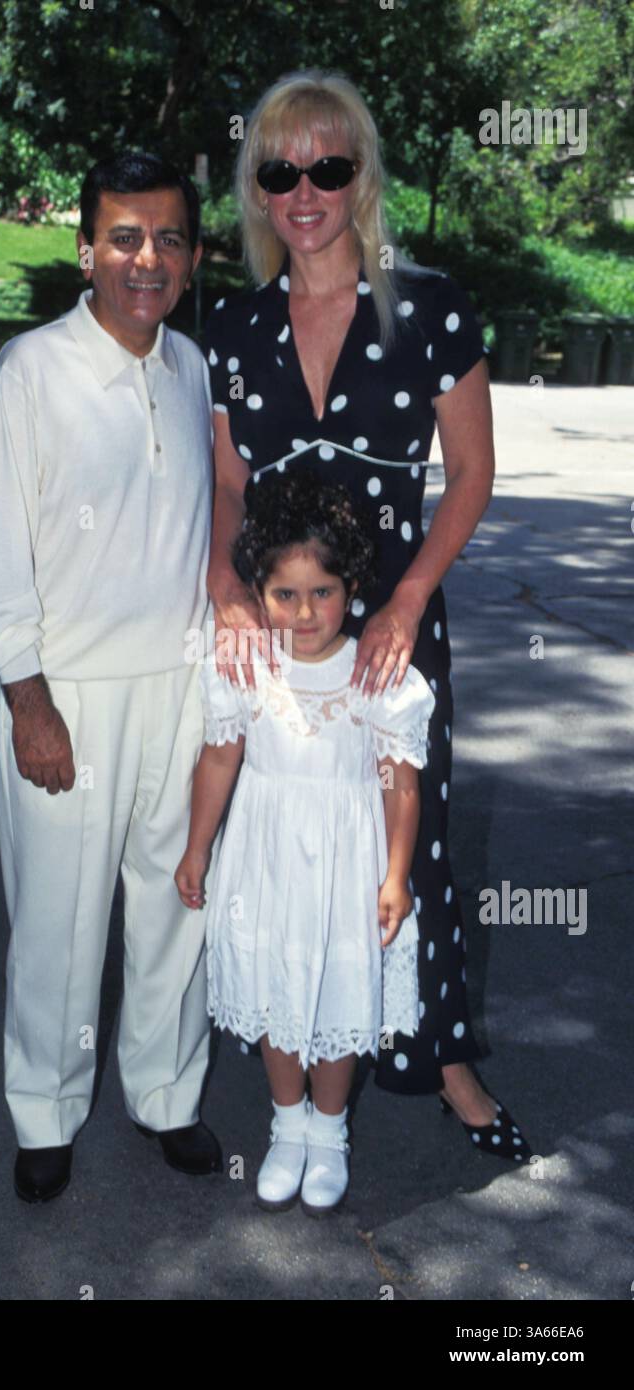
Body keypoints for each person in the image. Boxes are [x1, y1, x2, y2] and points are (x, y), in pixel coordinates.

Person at [202, 68, 532, 1159]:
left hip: (391, 620)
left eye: (328, 167)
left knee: (408, 841)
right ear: (256, 187)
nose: (305, 190)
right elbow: (226, 486)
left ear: (362, 178)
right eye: (280, 169)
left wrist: (408, 598)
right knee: (285, 844)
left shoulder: (429, 305)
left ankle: (440, 1055)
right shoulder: (236, 322)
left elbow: (473, 473)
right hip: (279, 628)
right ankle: (297, 1073)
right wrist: (224, 590)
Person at [0, 151, 223, 1203]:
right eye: (124, 236)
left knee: (177, 907)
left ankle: (167, 1094)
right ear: (87, 249)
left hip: (182, 685)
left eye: (167, 239)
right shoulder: (30, 371)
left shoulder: (193, 368)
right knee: (61, 924)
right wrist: (28, 700)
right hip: (65, 694)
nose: (145, 259)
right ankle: (46, 1110)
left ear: (193, 257)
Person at [175, 469, 436, 1214]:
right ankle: (286, 1124)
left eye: (323, 592)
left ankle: (329, 1131)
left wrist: (396, 875)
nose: (305, 611)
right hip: (265, 862)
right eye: (284, 594)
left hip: (347, 867)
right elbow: (219, 756)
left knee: (336, 996)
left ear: (351, 586)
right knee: (278, 991)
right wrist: (197, 849)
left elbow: (400, 782)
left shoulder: (378, 672)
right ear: (257, 591)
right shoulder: (244, 664)